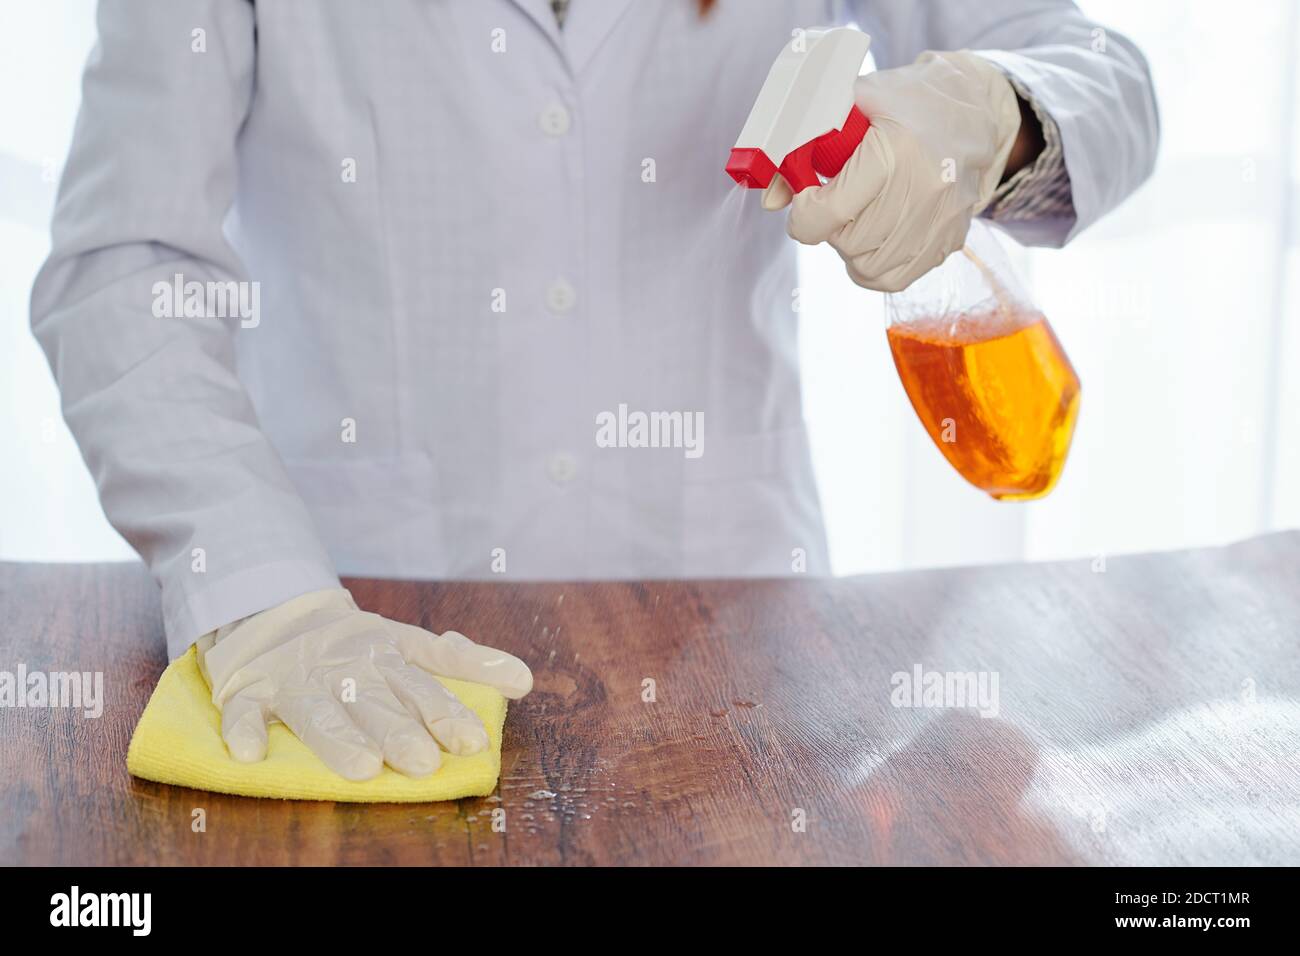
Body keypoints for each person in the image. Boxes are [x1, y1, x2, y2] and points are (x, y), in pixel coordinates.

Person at [31, 0, 1157, 780]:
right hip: (349, 621)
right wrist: (258, 586)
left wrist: (985, 110)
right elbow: (128, 259)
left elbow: (1097, 69)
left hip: (736, 626)